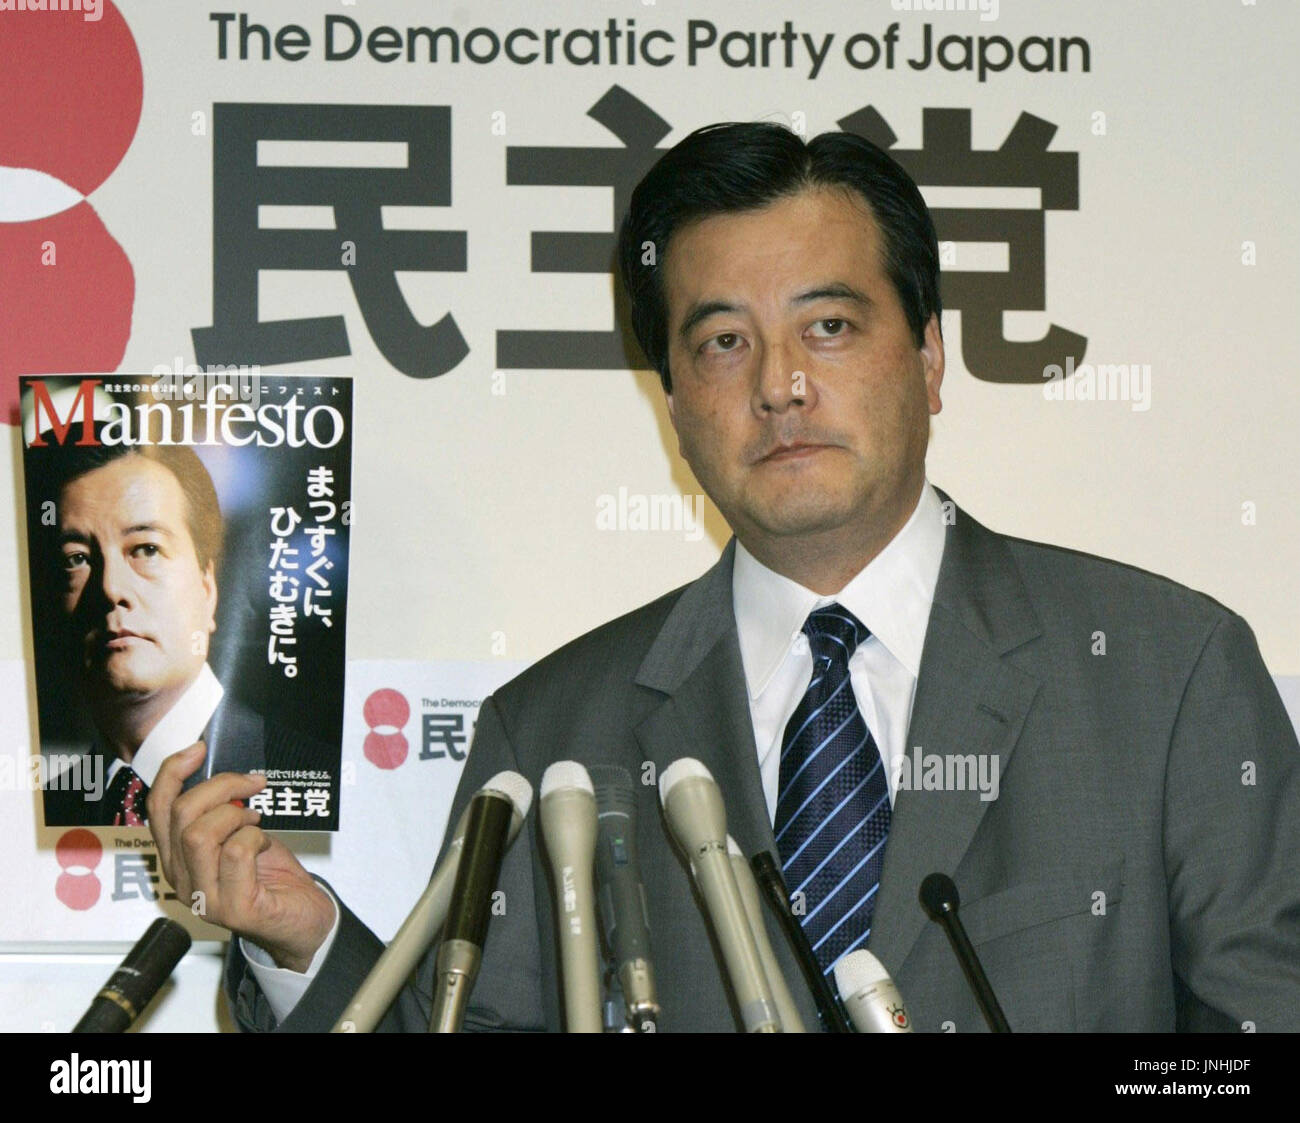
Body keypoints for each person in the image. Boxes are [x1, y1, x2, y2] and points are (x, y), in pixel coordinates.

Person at [150, 122, 1300, 1032]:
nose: (779, 385)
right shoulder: (551, 732)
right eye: (721, 342)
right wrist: (300, 936)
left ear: (930, 356)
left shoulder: (1167, 673)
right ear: (673, 404)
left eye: (829, 326)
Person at [31, 436, 310, 826]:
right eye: (77, 558)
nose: (110, 588)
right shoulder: (46, 808)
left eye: (146, 549)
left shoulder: (307, 778)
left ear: (207, 588)